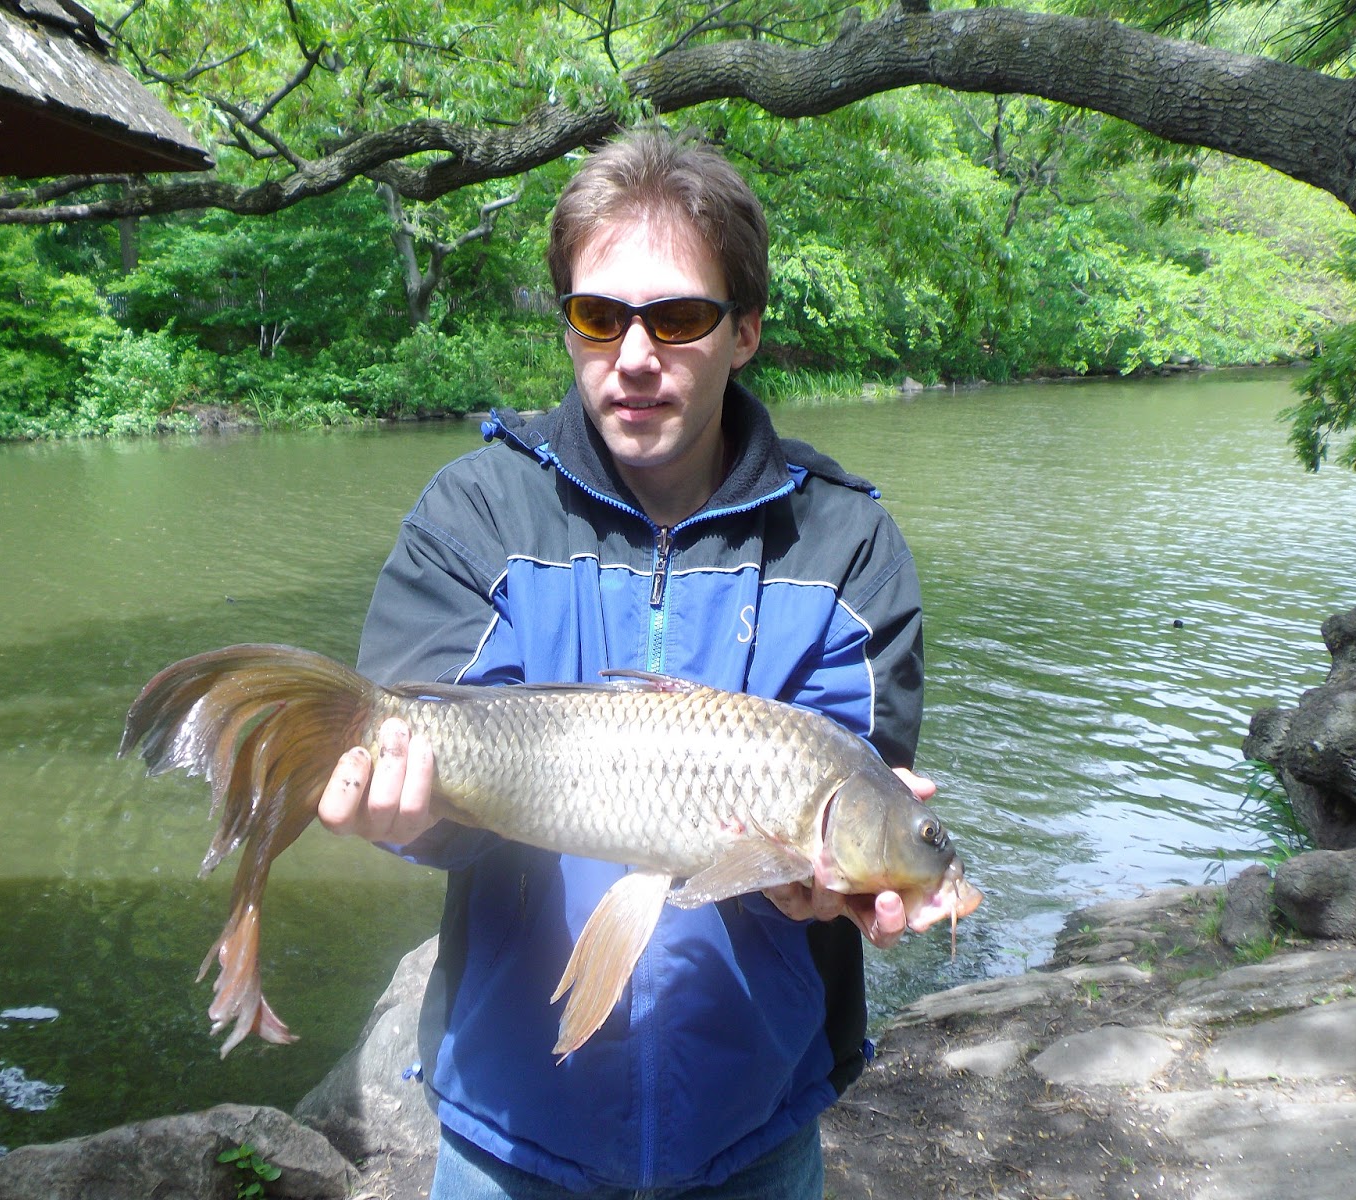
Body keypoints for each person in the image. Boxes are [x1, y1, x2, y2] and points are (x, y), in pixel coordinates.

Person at [316, 127, 927, 1198]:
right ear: (568, 327)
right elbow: (443, 804)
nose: (633, 355)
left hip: (752, 1130)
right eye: (599, 317)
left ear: (743, 331)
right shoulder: (471, 514)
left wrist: (834, 887)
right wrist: (409, 821)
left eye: (678, 316)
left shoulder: (845, 543)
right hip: (509, 1134)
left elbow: (859, 770)